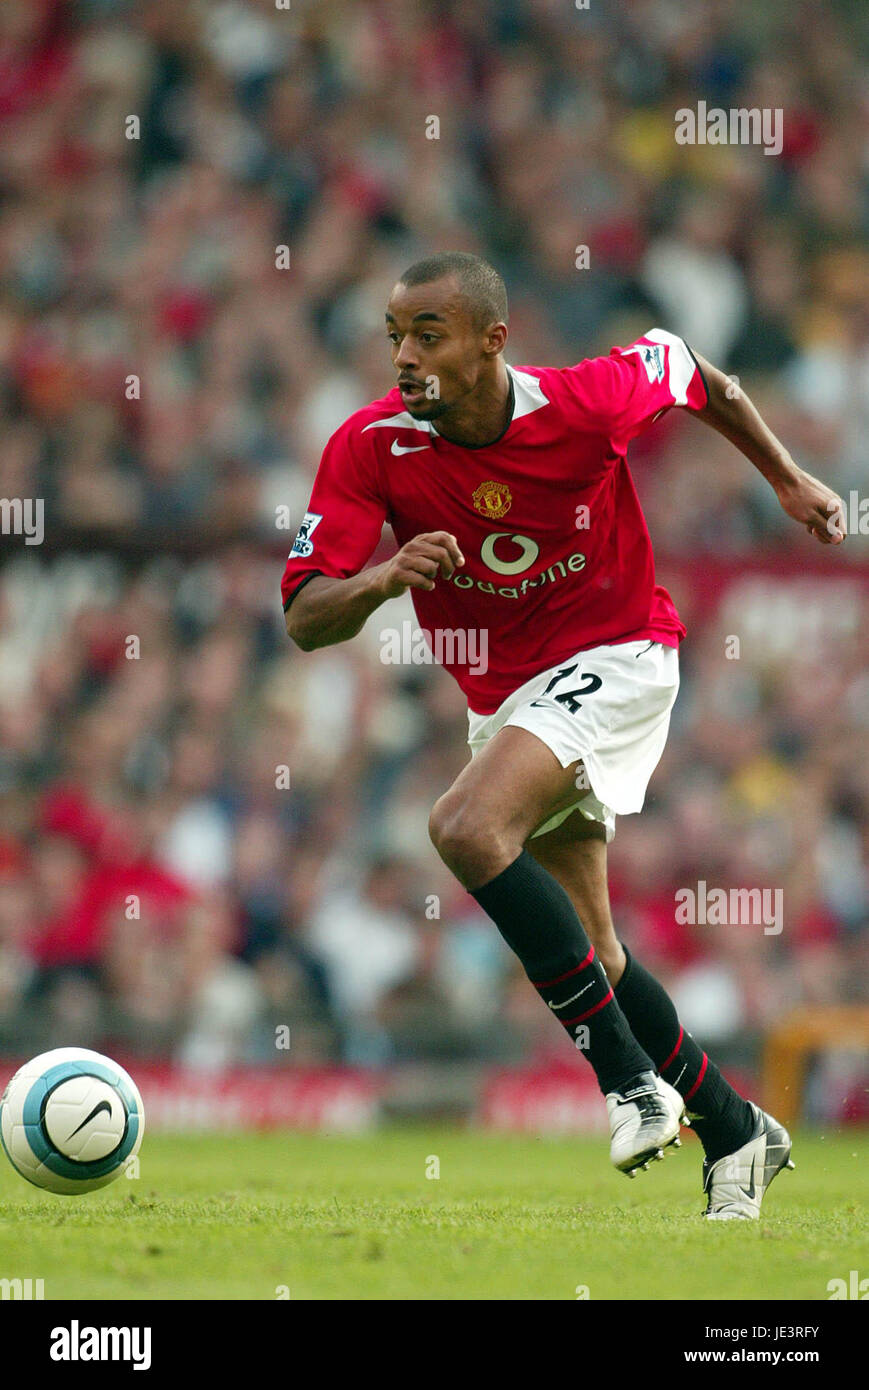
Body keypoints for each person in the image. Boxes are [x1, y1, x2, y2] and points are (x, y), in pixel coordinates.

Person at [281, 251, 845, 1218]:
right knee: (596, 952)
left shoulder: (585, 403)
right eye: (395, 337)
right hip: (505, 696)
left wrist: (787, 481)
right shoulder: (370, 446)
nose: (405, 357)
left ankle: (629, 1087)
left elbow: (697, 374)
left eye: (428, 336)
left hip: (618, 654)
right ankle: (733, 1127)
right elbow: (302, 617)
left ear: (491, 342)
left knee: (464, 827)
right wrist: (380, 580)